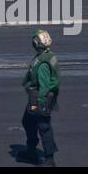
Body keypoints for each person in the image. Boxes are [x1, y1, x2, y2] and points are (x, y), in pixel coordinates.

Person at [21, 28, 59, 166]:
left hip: (40, 97)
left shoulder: (43, 62)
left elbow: (44, 85)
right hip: (36, 97)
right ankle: (31, 151)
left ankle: (49, 158)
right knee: (28, 121)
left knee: (43, 126)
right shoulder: (47, 55)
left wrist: (41, 103)